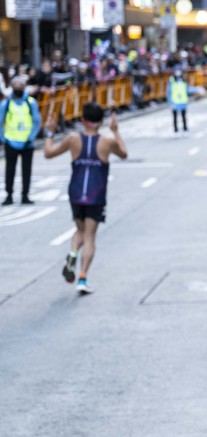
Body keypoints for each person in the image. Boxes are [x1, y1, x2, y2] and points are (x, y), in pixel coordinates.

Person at [42, 102, 128, 294]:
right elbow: (124, 153)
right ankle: (82, 277)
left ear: (82, 120)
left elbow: (48, 153)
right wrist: (116, 131)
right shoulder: (107, 142)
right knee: (89, 236)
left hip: (76, 192)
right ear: (101, 122)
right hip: (96, 194)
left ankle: (73, 253)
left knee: (79, 231)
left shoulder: (73, 139)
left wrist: (50, 132)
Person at [1, 76, 42, 205]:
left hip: (27, 143)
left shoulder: (31, 102)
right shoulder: (6, 103)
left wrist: (31, 137)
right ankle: (9, 195)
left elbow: (37, 121)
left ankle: (25, 195)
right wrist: (3, 138)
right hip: (11, 141)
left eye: (20, 86)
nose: (18, 88)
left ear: (25, 87)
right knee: (10, 170)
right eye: (15, 86)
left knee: (26, 170)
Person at [167, 68, 190, 135]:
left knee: (184, 117)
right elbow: (168, 92)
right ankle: (176, 130)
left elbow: (187, 89)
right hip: (174, 102)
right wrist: (169, 102)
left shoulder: (183, 80)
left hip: (183, 102)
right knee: (175, 117)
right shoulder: (171, 80)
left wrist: (197, 89)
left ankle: (185, 129)